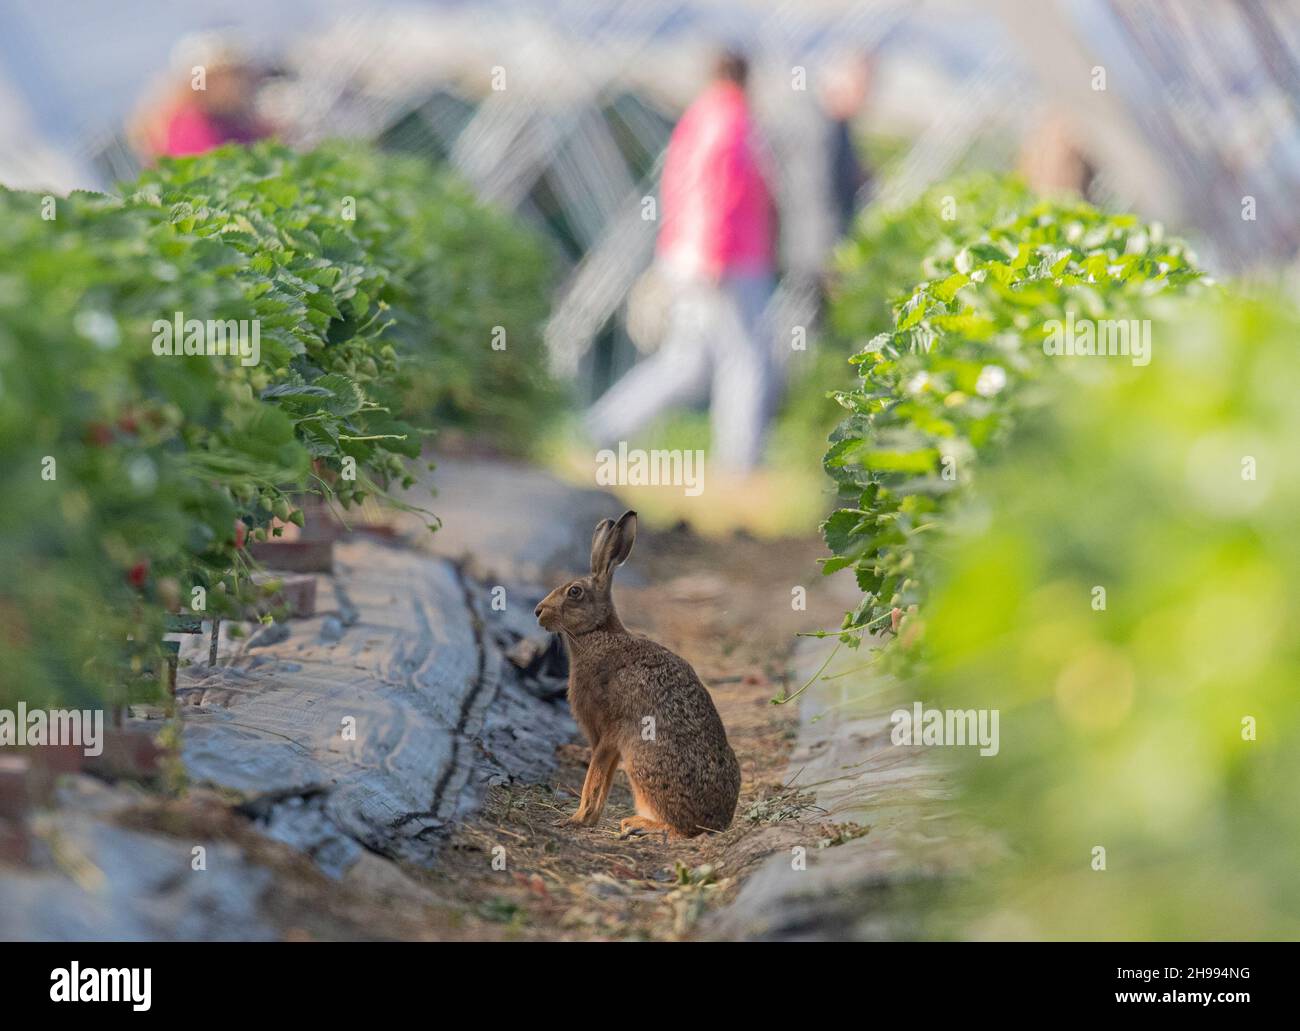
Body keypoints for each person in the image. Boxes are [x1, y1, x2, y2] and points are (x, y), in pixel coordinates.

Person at [585, 52, 777, 473]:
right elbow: (718, 192)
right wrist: (713, 252)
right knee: (745, 360)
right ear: (745, 78)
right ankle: (740, 462)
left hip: (692, 257)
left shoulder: (699, 117)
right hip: (727, 261)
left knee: (686, 364)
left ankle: (605, 426)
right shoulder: (730, 121)